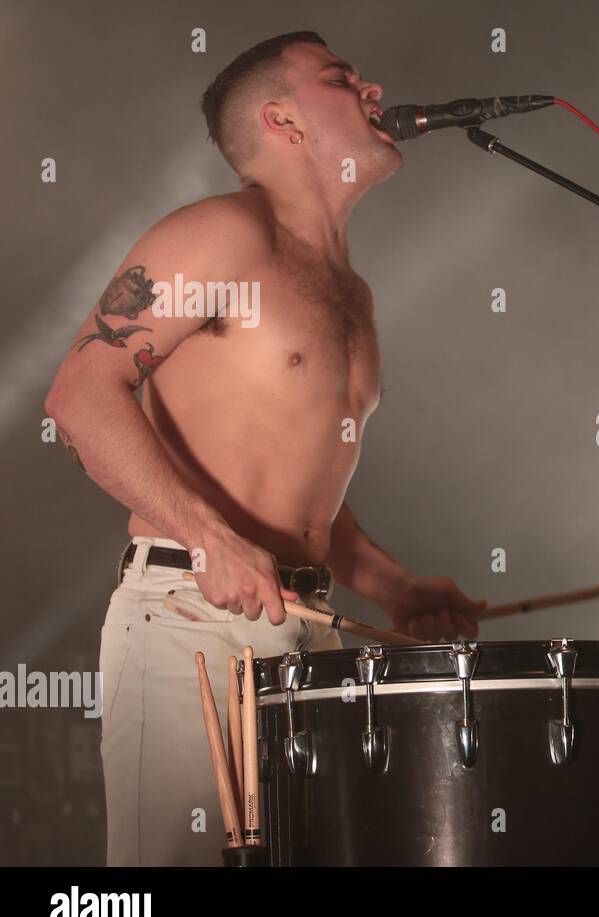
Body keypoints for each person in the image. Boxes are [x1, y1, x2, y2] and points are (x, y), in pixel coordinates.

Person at [44, 32, 484, 865]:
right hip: (190, 617)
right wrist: (205, 535)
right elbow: (80, 395)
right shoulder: (223, 232)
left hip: (307, 635)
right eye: (340, 79)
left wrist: (393, 585)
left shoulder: (349, 287)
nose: (373, 86)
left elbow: (291, 485)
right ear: (282, 120)